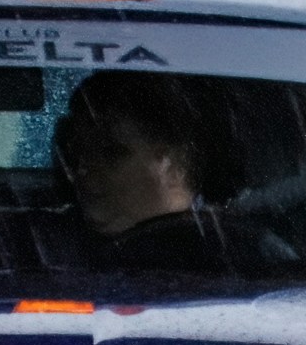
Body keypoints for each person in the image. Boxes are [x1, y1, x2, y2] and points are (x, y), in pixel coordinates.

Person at [51, 68, 232, 272]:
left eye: (111, 153)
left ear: (175, 164)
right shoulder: (43, 250)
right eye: (77, 154)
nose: (81, 171)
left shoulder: (237, 259)